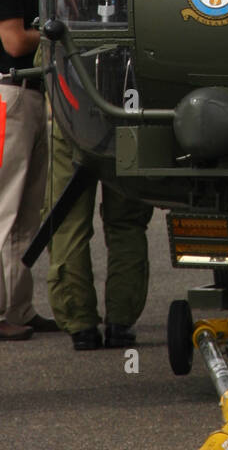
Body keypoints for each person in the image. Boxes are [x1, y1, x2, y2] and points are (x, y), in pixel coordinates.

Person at [0, 0, 58, 340]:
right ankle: (5, 312)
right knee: (8, 208)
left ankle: (18, 308)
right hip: (10, 93)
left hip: (30, 93)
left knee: (27, 211)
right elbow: (15, 41)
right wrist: (60, 34)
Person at [45, 112, 152, 351]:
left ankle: (80, 323)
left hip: (73, 115)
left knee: (67, 223)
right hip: (129, 117)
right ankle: (121, 323)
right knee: (127, 223)